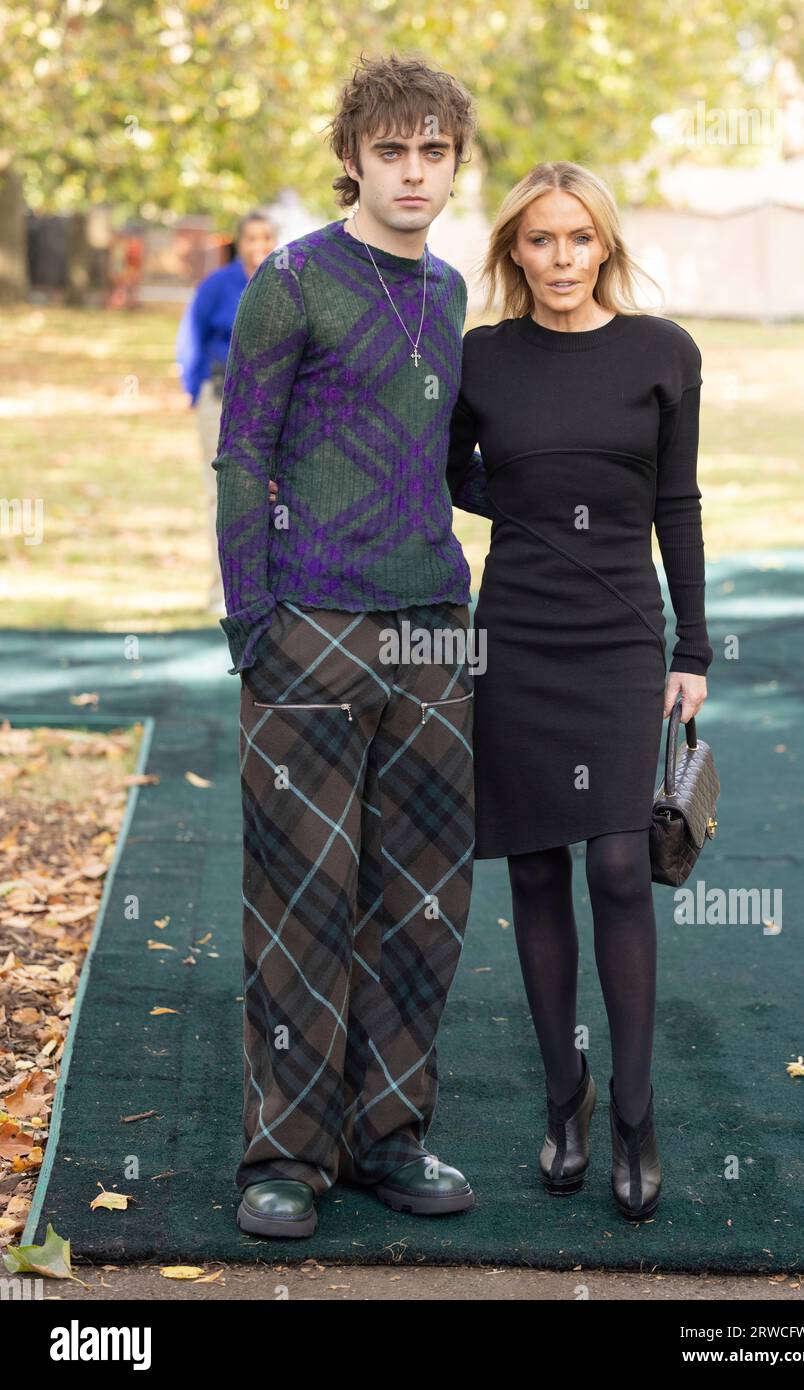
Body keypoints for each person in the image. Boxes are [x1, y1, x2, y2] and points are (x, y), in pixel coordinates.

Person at [212, 55, 490, 1239]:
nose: (413, 172)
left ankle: (389, 1137)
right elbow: (243, 456)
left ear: (455, 162)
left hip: (436, 629)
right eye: (392, 151)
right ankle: (286, 1155)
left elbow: (442, 453)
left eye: (434, 151)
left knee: (424, 900)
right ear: (355, 156)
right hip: (309, 632)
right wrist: (249, 621)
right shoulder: (291, 281)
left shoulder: (450, 293)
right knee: (301, 903)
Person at [444, 161, 713, 1220]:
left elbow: (678, 502)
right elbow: (459, 473)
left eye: (579, 239)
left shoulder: (662, 353)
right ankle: (566, 1099)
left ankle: (636, 1113)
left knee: (615, 861)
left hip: (619, 636)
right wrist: (528, 495)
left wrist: (693, 648)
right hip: (514, 632)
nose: (561, 259)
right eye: (540, 240)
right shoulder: (481, 358)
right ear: (514, 249)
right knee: (536, 867)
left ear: (606, 245)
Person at [176, 212, 276, 611]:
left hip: (268, 404)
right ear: (239, 242)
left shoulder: (284, 282)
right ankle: (221, 590)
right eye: (251, 238)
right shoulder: (217, 285)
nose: (259, 246)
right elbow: (191, 340)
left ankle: (265, 589)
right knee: (219, 493)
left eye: (266, 237)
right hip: (218, 398)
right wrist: (195, 392)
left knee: (268, 494)